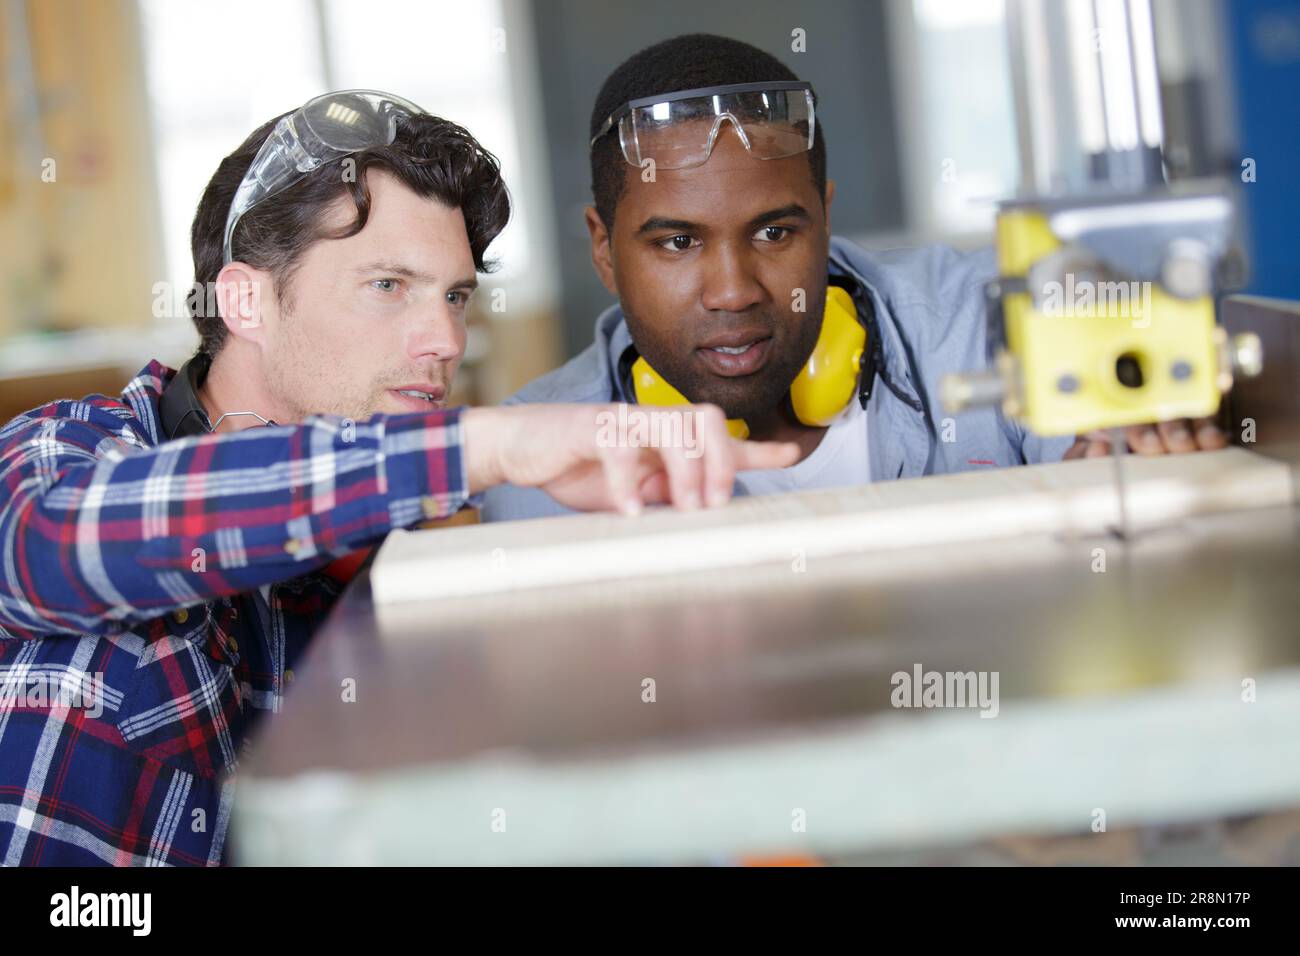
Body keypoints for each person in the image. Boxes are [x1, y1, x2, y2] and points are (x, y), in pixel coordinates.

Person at [0, 90, 796, 865]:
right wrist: (486, 445)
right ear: (245, 301)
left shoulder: (402, 567)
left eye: (455, 296)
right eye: (389, 287)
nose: (447, 337)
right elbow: (53, 542)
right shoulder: (66, 452)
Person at [481, 34, 1227, 522]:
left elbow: (1105, 475)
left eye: (776, 232)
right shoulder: (531, 468)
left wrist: (1128, 460)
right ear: (603, 251)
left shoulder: (984, 321)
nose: (735, 289)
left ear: (826, 219)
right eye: (677, 242)